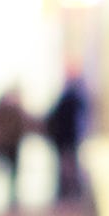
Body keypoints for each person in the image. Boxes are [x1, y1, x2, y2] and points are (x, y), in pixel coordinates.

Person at [43, 76, 88, 204]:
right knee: (67, 164)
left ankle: (68, 189)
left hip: (66, 138)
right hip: (67, 138)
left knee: (67, 165)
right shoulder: (70, 100)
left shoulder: (66, 100)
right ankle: (68, 189)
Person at [0, 88, 30, 214]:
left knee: (13, 175)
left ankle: (12, 199)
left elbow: (22, 125)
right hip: (3, 146)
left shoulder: (16, 110)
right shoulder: (2, 110)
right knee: (1, 173)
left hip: (13, 145)